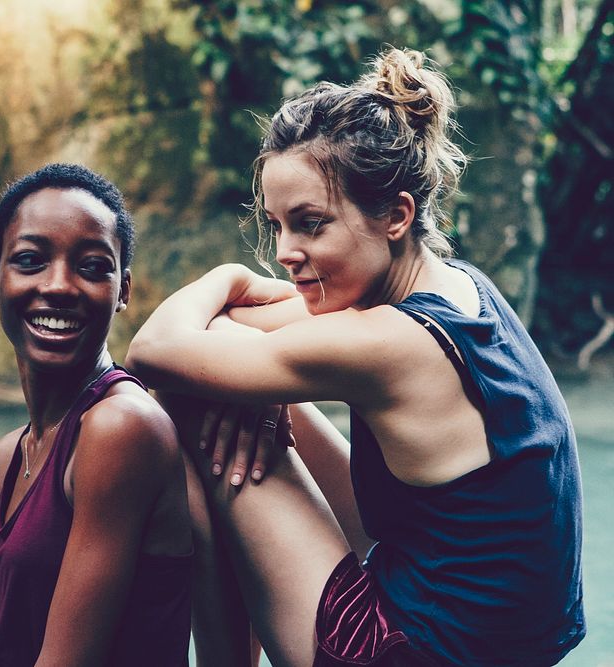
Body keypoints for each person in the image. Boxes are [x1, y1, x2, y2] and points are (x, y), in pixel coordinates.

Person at [125, 48, 585, 666]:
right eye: (276, 225)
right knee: (223, 375)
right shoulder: (457, 286)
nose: (285, 251)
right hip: (479, 632)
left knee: (193, 393)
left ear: (396, 215)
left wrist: (229, 274)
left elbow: (152, 351)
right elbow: (233, 326)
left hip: (412, 652)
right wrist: (255, 381)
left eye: (311, 224)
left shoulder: (387, 342)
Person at [0, 163, 193, 666]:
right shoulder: (4, 460)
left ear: (124, 291)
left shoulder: (123, 429)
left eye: (92, 267)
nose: (61, 286)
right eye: (30, 260)